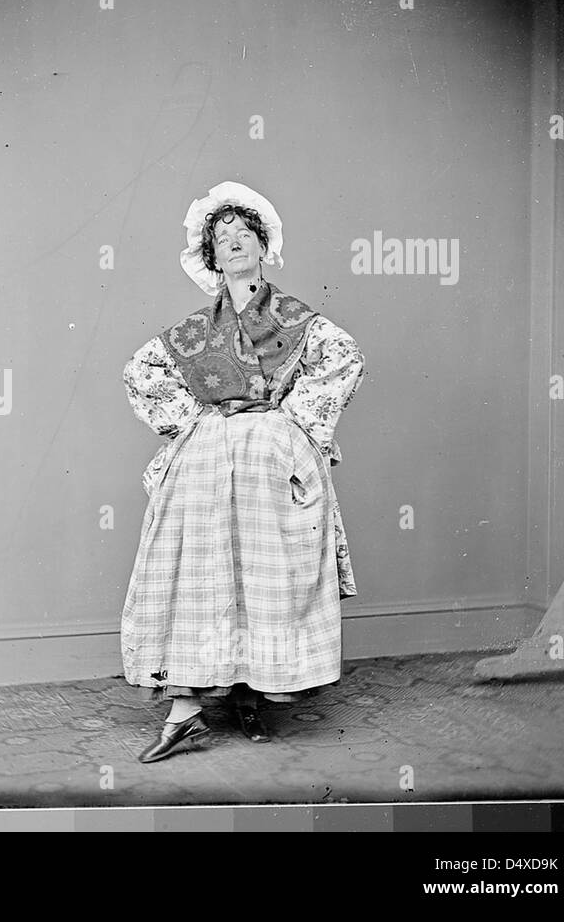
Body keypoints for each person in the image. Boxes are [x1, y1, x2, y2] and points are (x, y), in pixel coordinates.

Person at [121, 181, 364, 764]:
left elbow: (344, 357)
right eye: (221, 238)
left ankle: (251, 692)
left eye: (243, 235)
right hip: (208, 457)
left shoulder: (293, 318)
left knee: (262, 573)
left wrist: (292, 425)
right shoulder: (197, 330)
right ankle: (187, 708)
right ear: (209, 256)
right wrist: (195, 423)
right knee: (203, 573)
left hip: (269, 458)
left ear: (263, 246)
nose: (233, 244)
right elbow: (140, 371)